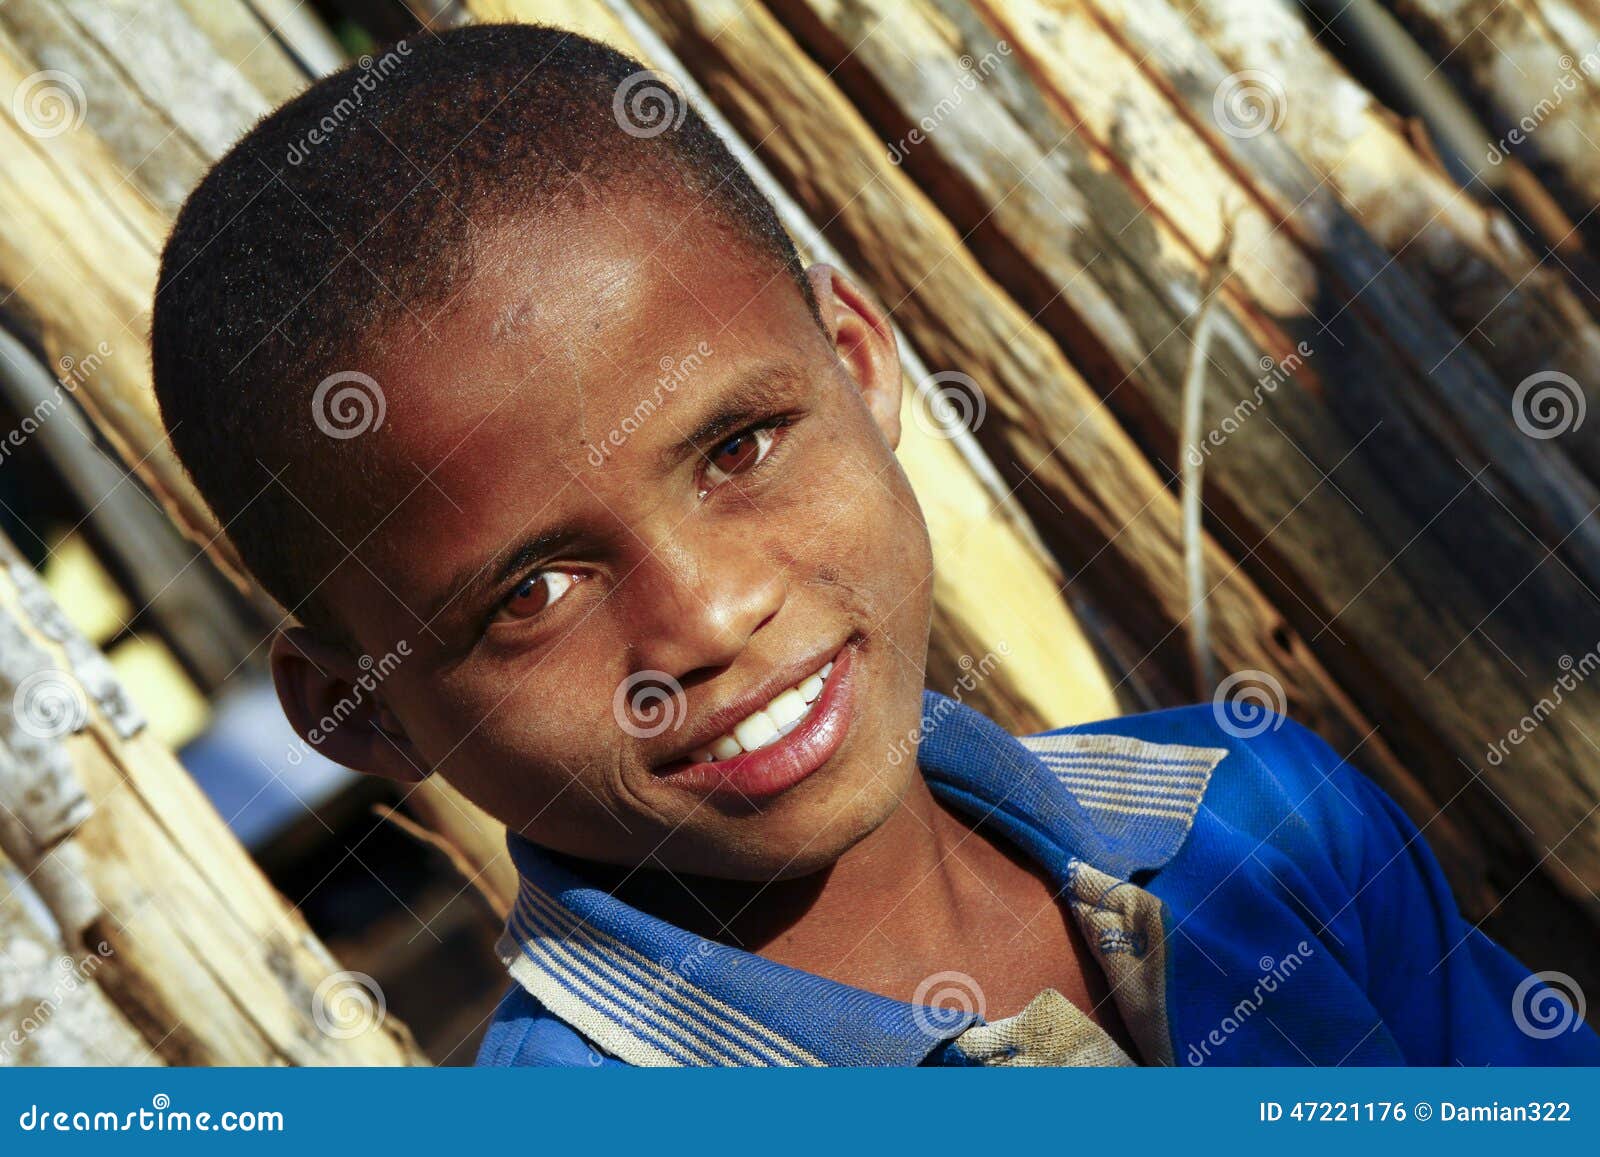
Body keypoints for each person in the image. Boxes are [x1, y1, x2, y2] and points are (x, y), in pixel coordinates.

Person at [150, 24, 1600, 1067]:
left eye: (737, 448)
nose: (712, 612)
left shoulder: (1262, 816)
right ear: (357, 707)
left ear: (859, 360)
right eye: (530, 592)